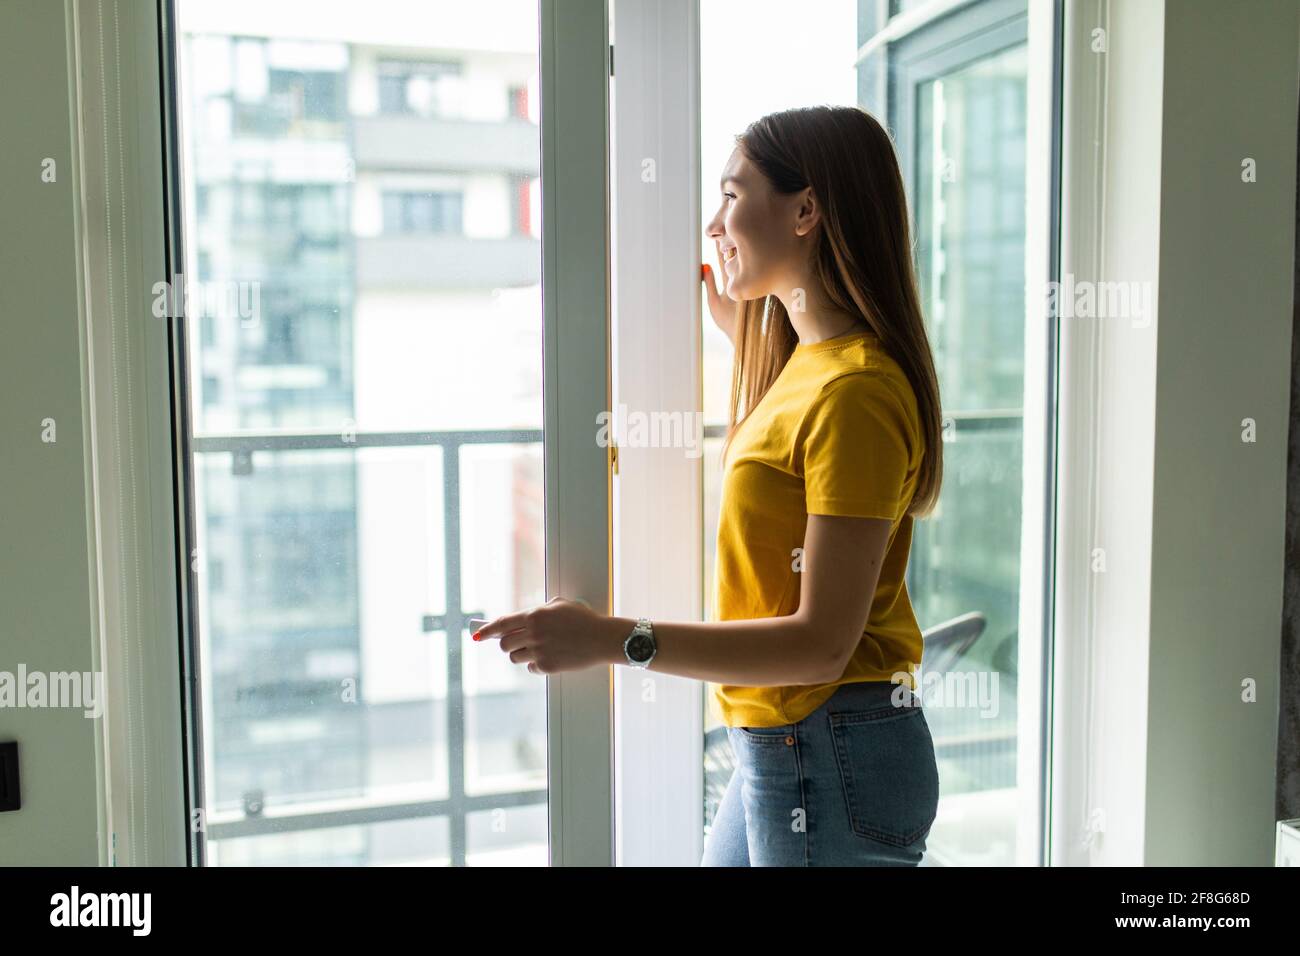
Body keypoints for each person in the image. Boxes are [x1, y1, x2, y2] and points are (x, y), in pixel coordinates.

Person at [472, 105, 944, 866]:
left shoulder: (855, 391)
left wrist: (609, 639)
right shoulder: (808, 370)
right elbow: (777, 479)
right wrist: (747, 333)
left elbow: (823, 644)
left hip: (828, 744)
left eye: (732, 194)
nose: (713, 223)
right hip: (791, 740)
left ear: (806, 211)